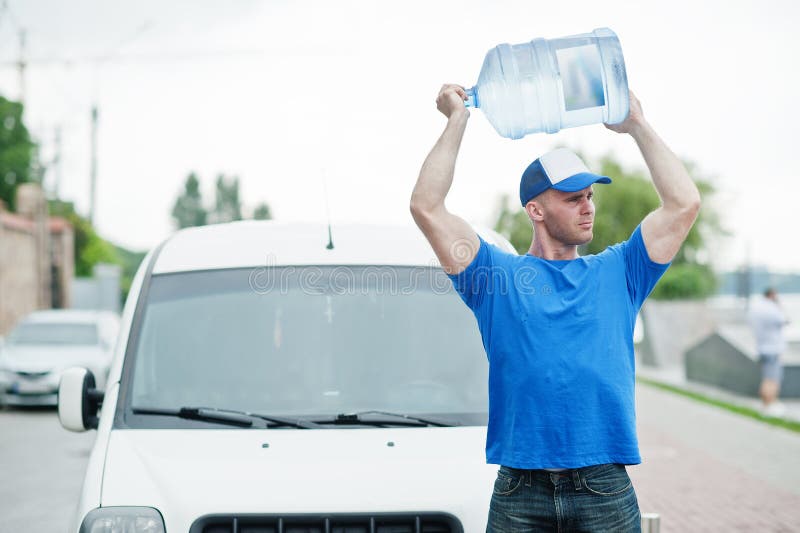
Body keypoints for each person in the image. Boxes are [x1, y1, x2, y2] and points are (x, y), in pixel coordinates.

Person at [410, 84, 700, 532]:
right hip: (519, 492)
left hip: (604, 487)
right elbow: (426, 206)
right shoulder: (494, 277)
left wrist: (637, 125)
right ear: (535, 210)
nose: (588, 208)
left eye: (589, 196)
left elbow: (683, 204)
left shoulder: (622, 271)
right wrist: (457, 121)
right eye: (572, 198)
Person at [748, 287, 789, 416]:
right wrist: (779, 305)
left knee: (766, 376)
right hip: (773, 348)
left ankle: (765, 405)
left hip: (762, 347)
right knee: (772, 378)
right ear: (772, 295)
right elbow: (784, 320)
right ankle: (769, 405)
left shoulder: (756, 308)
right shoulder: (772, 308)